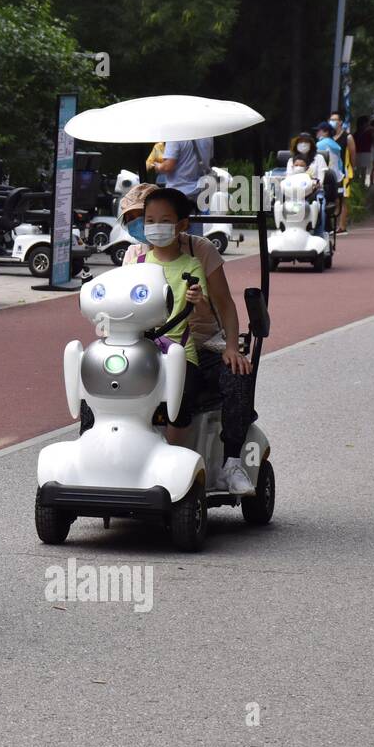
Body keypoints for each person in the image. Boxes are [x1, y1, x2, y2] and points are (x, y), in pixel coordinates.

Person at [92, 185, 256, 495]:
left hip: (200, 342)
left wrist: (232, 347)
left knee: (236, 375)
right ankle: (102, 455)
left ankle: (231, 462)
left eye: (158, 219)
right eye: (143, 219)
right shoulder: (134, 255)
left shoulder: (199, 252)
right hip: (144, 343)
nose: (149, 226)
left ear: (180, 223)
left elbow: (223, 304)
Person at [155, 137, 214, 235]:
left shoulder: (176, 135)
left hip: (177, 194)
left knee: (175, 237)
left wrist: (157, 166)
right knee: (195, 237)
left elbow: (168, 166)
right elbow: (208, 159)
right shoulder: (208, 135)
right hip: (199, 193)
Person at [328, 110, 355, 233]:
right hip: (332, 173)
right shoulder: (329, 137)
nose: (332, 122)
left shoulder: (347, 137)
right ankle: (333, 224)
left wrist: (351, 169)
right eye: (331, 119)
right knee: (334, 199)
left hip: (344, 173)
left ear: (341, 122)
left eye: (335, 120)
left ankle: (342, 225)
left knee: (343, 199)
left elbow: (353, 154)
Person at [353, 116, 374, 188]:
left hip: (357, 153)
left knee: (357, 170)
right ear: (364, 123)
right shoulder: (369, 132)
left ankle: (357, 185)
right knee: (363, 171)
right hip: (365, 153)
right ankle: (361, 185)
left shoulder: (356, 132)